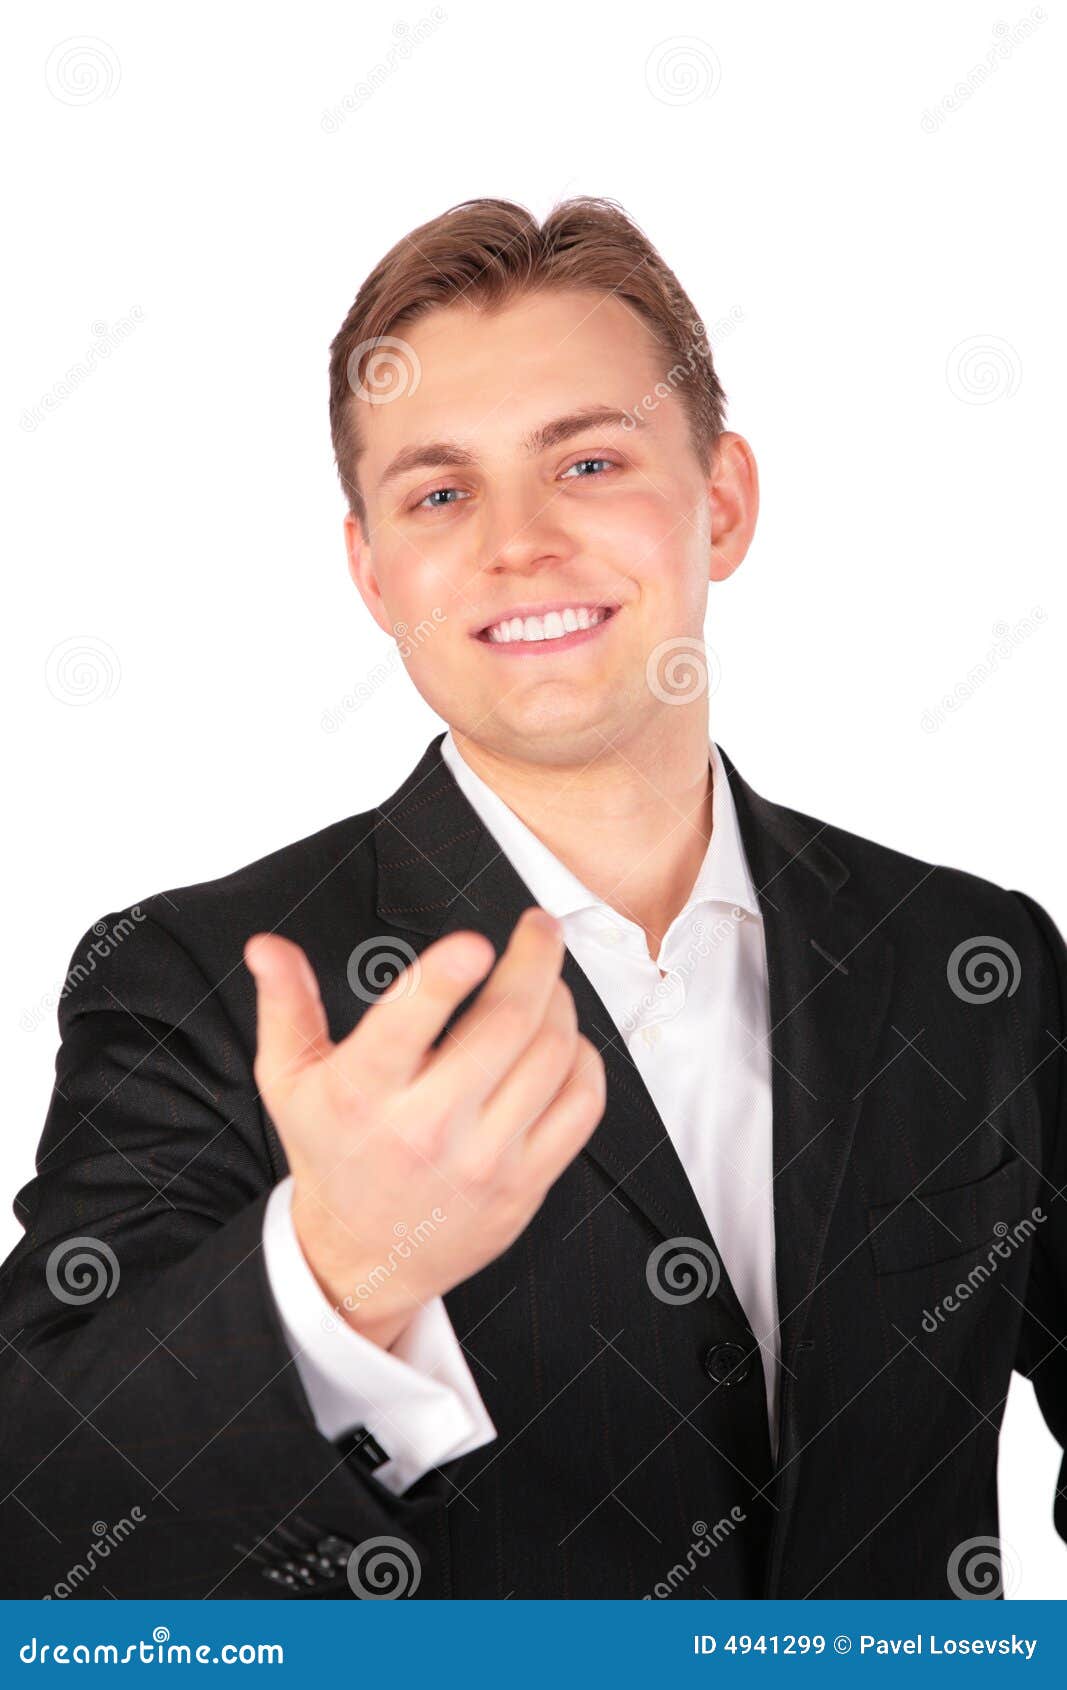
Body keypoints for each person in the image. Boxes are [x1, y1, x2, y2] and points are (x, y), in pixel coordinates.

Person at [1, 198, 1064, 1601]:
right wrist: (334, 1276)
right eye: (440, 493)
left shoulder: (971, 959)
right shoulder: (194, 981)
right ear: (374, 571)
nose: (520, 541)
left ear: (723, 500)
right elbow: (43, 1526)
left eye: (589, 460)